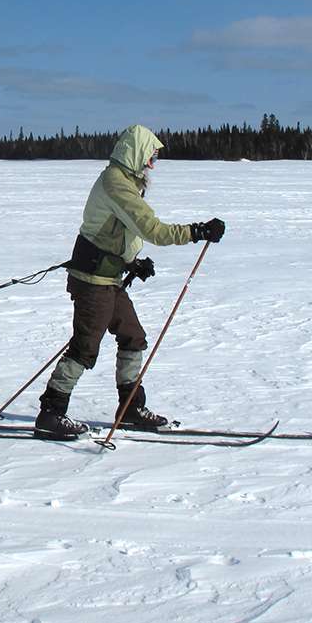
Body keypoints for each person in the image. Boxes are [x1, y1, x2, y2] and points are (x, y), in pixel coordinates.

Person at [35, 124, 225, 441]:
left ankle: (131, 410)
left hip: (108, 277)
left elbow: (113, 231)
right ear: (136, 153)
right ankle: (51, 413)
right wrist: (197, 231)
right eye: (151, 155)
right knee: (84, 349)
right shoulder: (116, 184)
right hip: (92, 280)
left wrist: (130, 262)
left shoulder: (123, 181)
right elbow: (152, 229)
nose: (153, 162)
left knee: (133, 336)